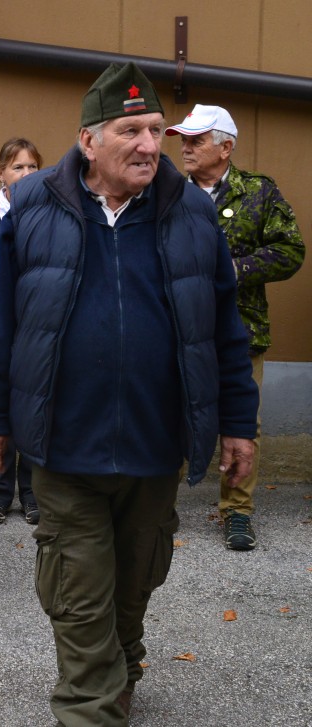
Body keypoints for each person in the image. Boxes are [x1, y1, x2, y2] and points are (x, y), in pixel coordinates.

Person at [0, 63, 259, 724]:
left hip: (156, 445)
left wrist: (240, 425)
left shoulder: (192, 215)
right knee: (79, 588)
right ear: (89, 141)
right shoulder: (34, 205)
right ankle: (89, 704)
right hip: (66, 445)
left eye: (156, 129)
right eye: (132, 130)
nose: (150, 145)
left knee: (133, 582)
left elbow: (224, 331)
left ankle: (122, 661)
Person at [165, 104, 305, 551]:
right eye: (184, 139)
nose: (185, 147)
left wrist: (233, 269)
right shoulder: (164, 192)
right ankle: (156, 507)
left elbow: (290, 250)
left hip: (240, 330)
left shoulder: (258, 193)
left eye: (197, 140)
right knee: (168, 416)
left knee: (244, 425)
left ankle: (238, 512)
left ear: (225, 148)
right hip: (174, 331)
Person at [0, 137, 44, 525]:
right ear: (0, 173)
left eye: (31, 167)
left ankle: (33, 495)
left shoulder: (47, 210)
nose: (24, 174)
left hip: (36, 328)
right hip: (0, 325)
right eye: (16, 167)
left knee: (34, 412)